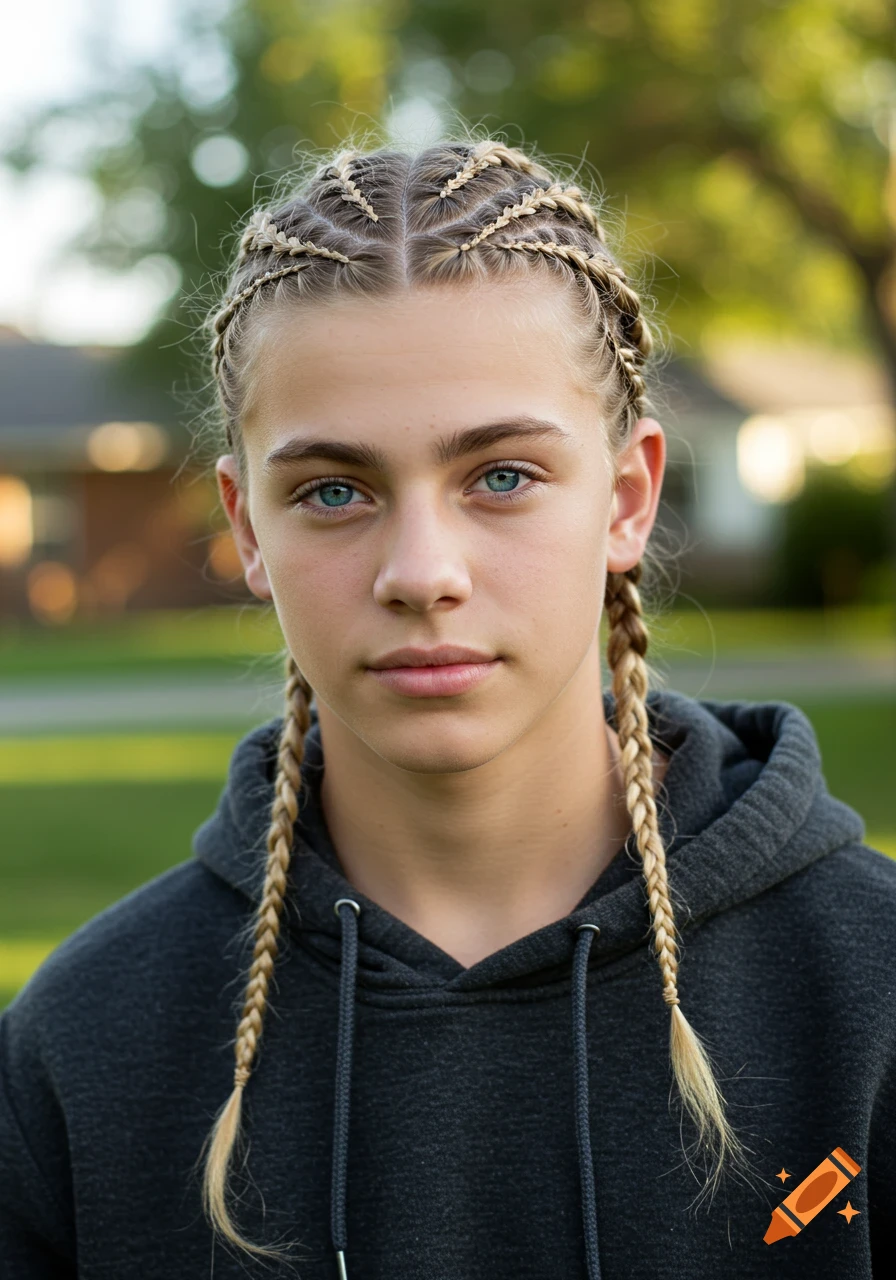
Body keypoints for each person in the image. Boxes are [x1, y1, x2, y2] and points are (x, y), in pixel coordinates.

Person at [1, 132, 894, 1280]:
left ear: (625, 498)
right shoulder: (83, 1049)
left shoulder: (864, 991)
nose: (421, 570)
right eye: (333, 489)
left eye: (501, 476)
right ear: (245, 527)